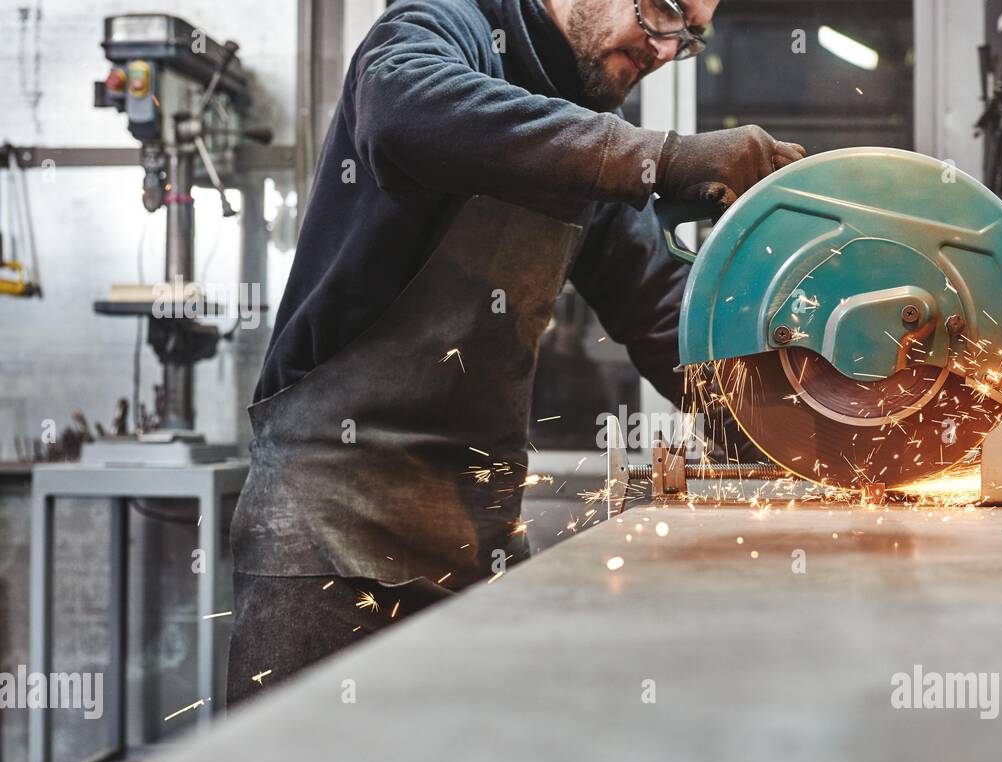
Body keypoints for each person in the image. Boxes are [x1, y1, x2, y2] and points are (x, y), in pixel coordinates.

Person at [226, 0, 804, 703]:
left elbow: (663, 316)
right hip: (327, 532)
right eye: (661, 9)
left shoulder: (589, 133)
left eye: (689, 36)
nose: (663, 47)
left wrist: (804, 424)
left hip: (477, 542)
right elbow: (400, 112)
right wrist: (662, 157)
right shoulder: (449, 22)